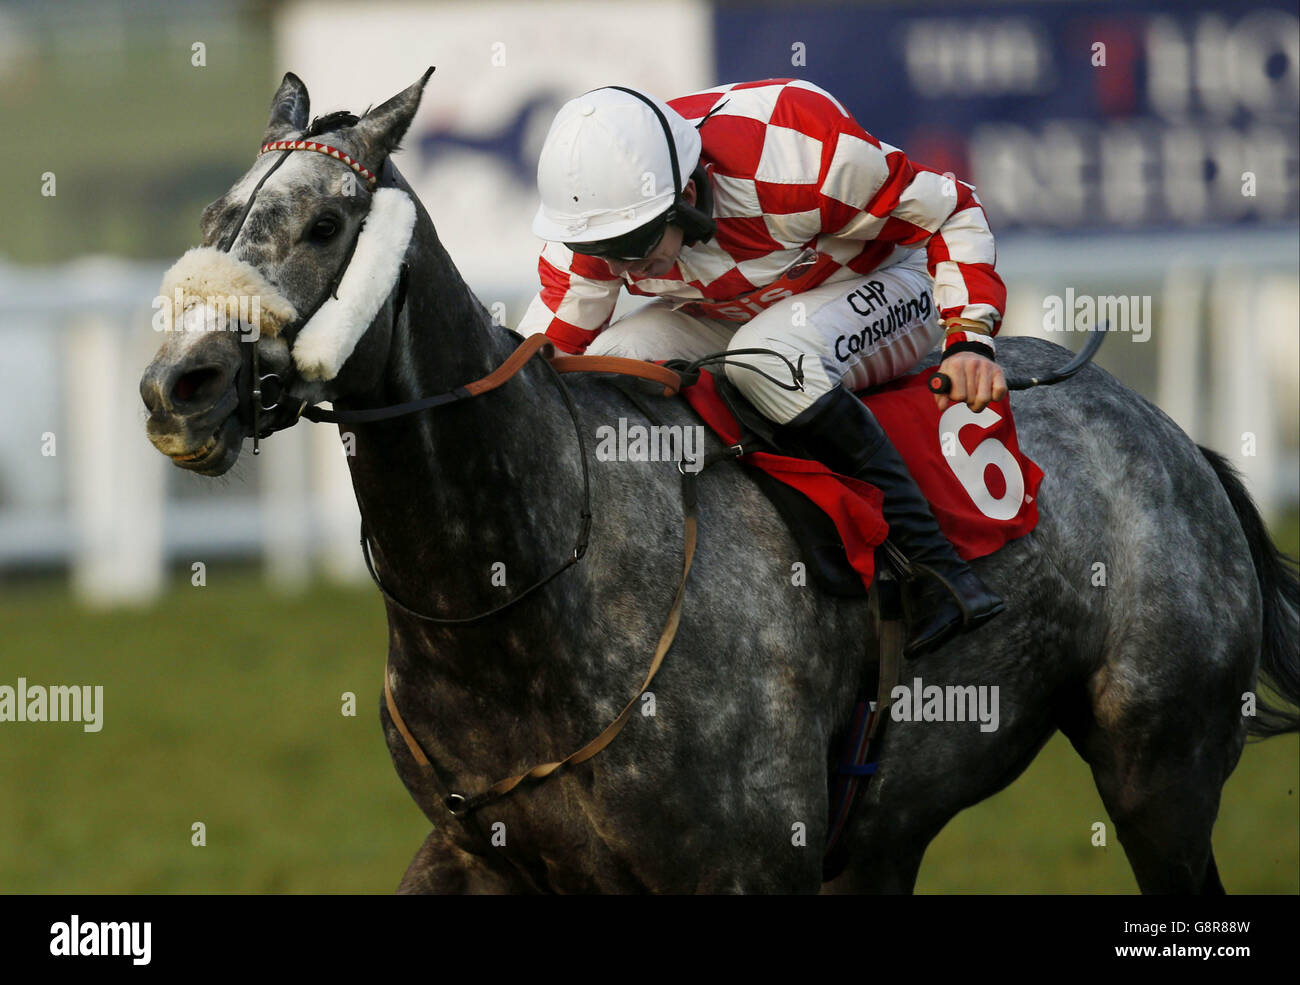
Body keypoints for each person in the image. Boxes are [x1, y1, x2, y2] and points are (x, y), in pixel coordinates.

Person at [517, 79, 1005, 657]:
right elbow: (536, 365)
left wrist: (969, 339)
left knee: (766, 358)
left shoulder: (798, 153)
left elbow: (954, 209)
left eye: (637, 243)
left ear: (688, 196)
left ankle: (935, 571)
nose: (621, 266)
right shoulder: (597, 224)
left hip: (890, 283)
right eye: (605, 251)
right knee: (611, 367)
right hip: (745, 312)